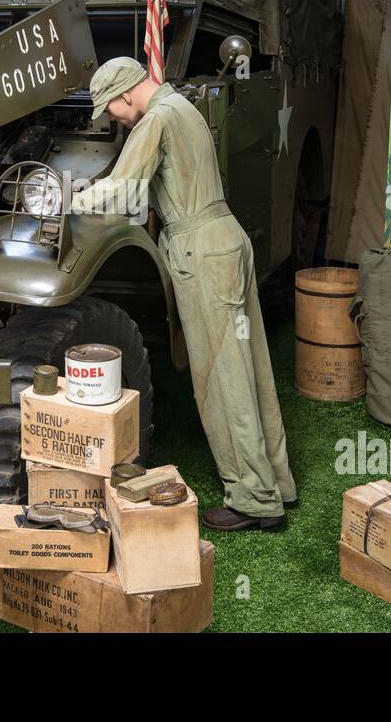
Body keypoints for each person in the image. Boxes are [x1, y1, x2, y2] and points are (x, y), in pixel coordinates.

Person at [71, 57, 296, 531]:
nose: (112, 118)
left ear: (125, 93)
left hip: (200, 251)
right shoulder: (184, 106)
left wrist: (66, 201)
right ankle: (276, 480)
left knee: (220, 379)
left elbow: (122, 188)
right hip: (227, 239)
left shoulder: (156, 119)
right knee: (251, 367)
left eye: (109, 109)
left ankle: (254, 499)